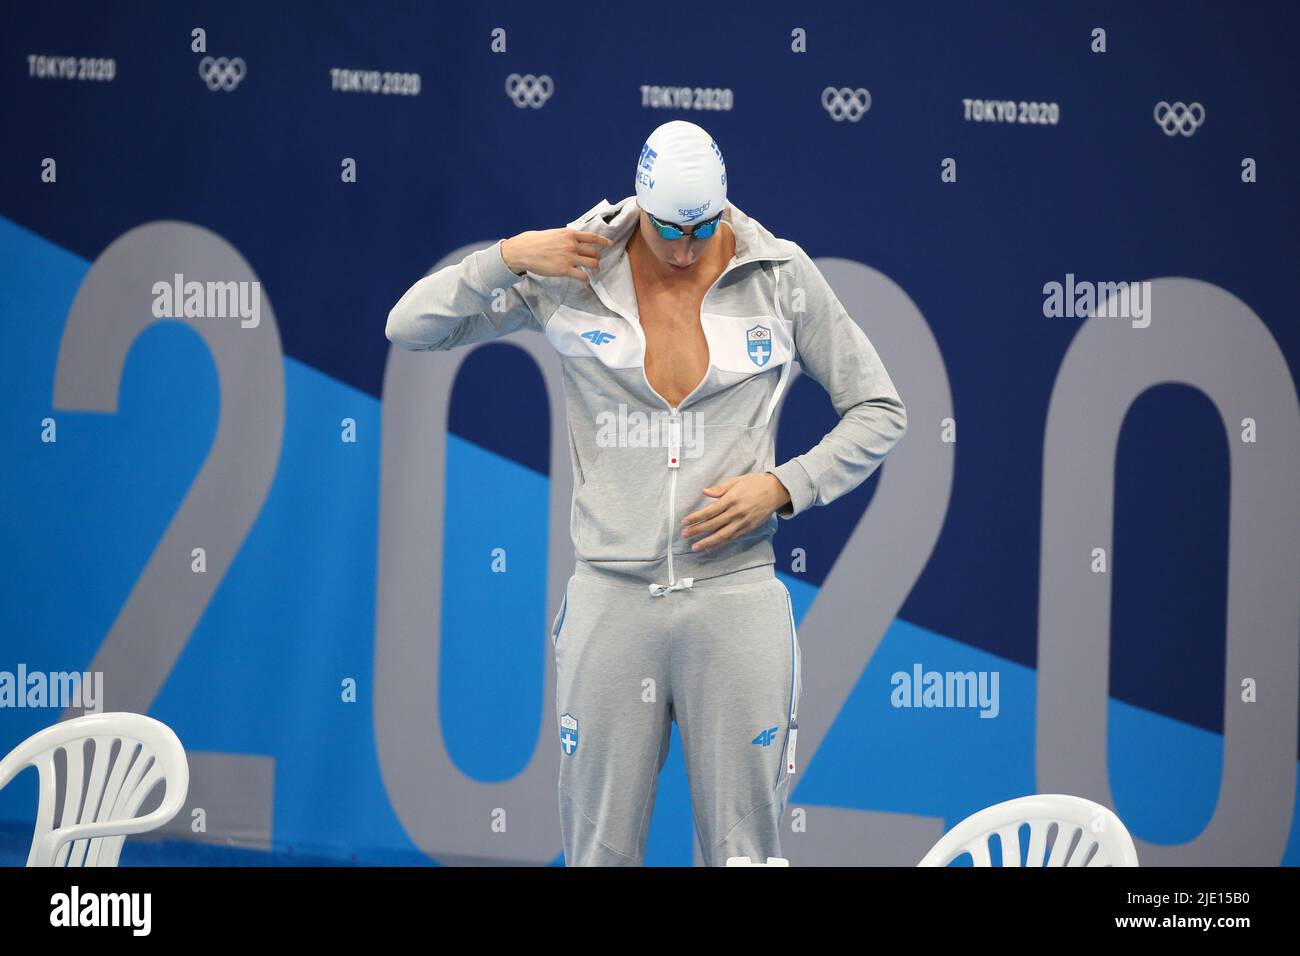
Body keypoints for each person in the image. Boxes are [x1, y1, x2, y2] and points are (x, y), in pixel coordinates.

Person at [386, 119, 907, 866]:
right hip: (612, 601)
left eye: (704, 227)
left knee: (745, 855)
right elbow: (409, 326)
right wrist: (505, 257)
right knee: (598, 854)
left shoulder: (780, 274)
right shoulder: (574, 268)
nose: (687, 248)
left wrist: (784, 486)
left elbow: (880, 410)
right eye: (670, 229)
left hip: (734, 603)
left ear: (725, 207)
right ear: (640, 204)